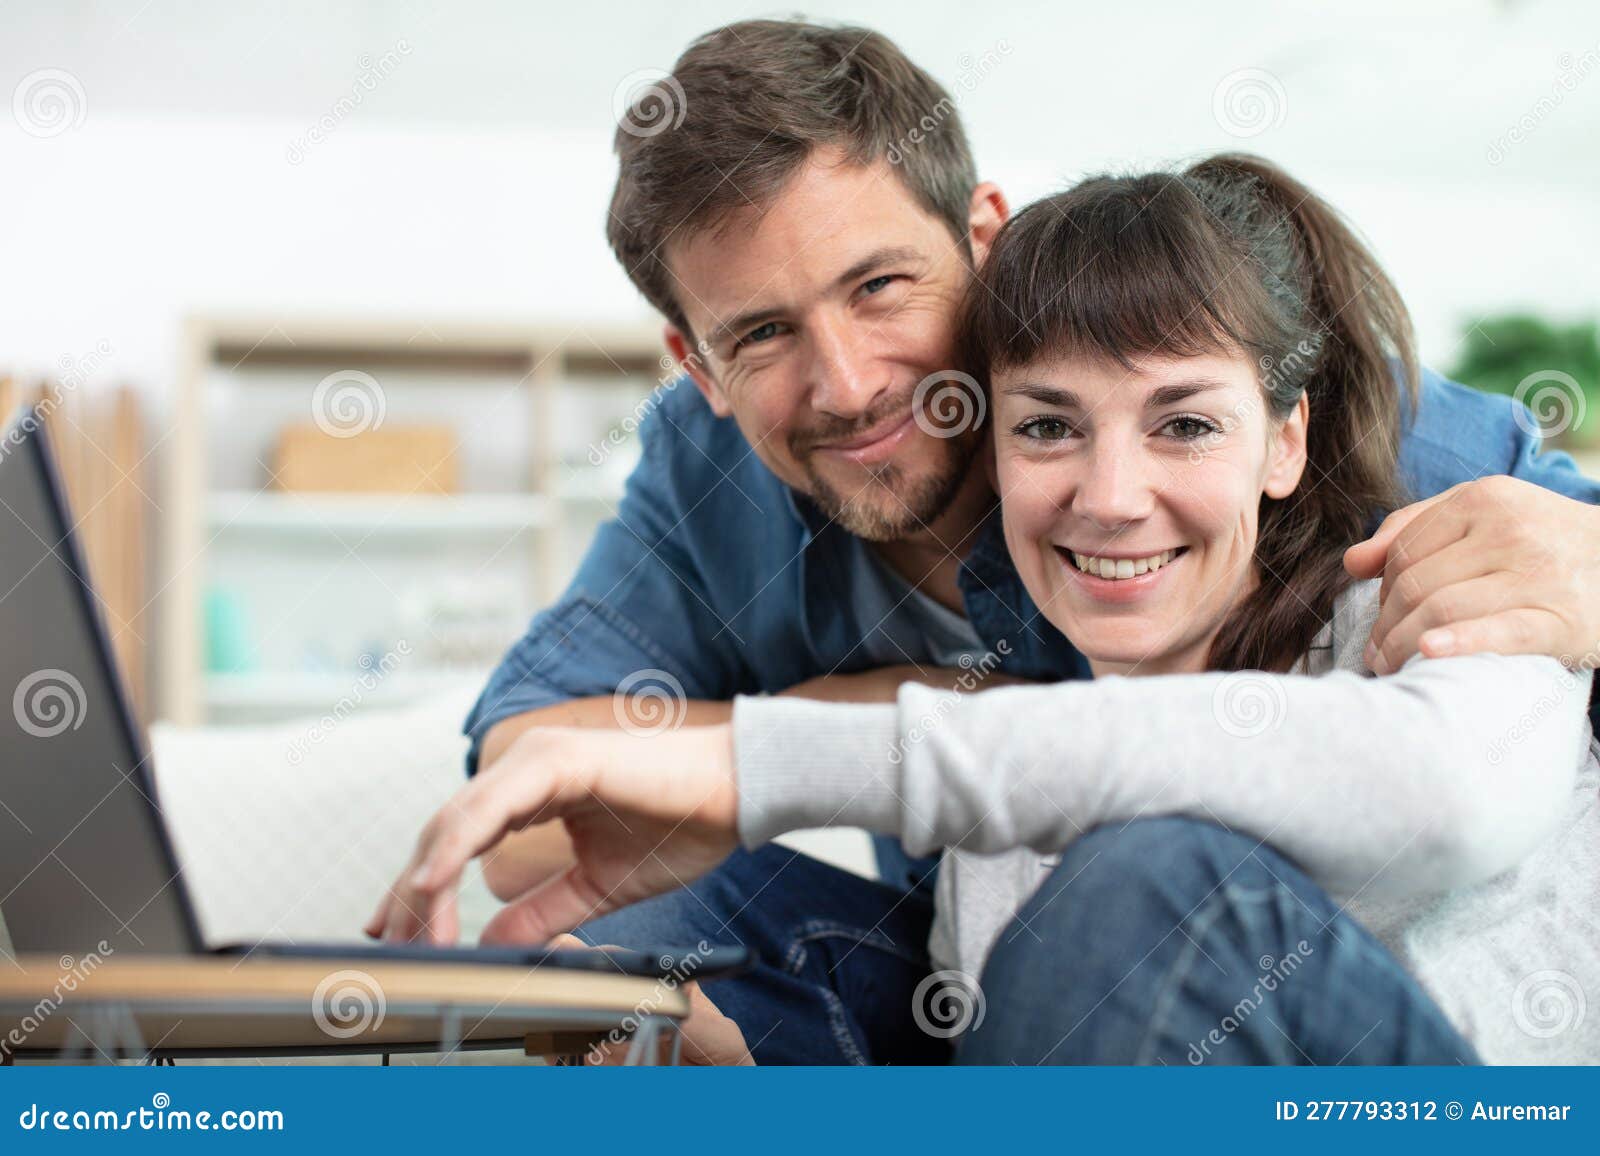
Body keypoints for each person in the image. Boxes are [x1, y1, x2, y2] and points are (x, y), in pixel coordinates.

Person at [368, 19, 1600, 1064]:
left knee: (1138, 884)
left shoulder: (1306, 399)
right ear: (696, 364)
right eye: (760, 335)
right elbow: (534, 797)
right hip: (1044, 1001)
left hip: (1376, 1031)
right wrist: (914, 704)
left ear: (982, 237)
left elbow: (1458, 768)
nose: (846, 383)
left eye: (878, 287)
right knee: (660, 918)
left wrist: (801, 754)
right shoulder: (714, 479)